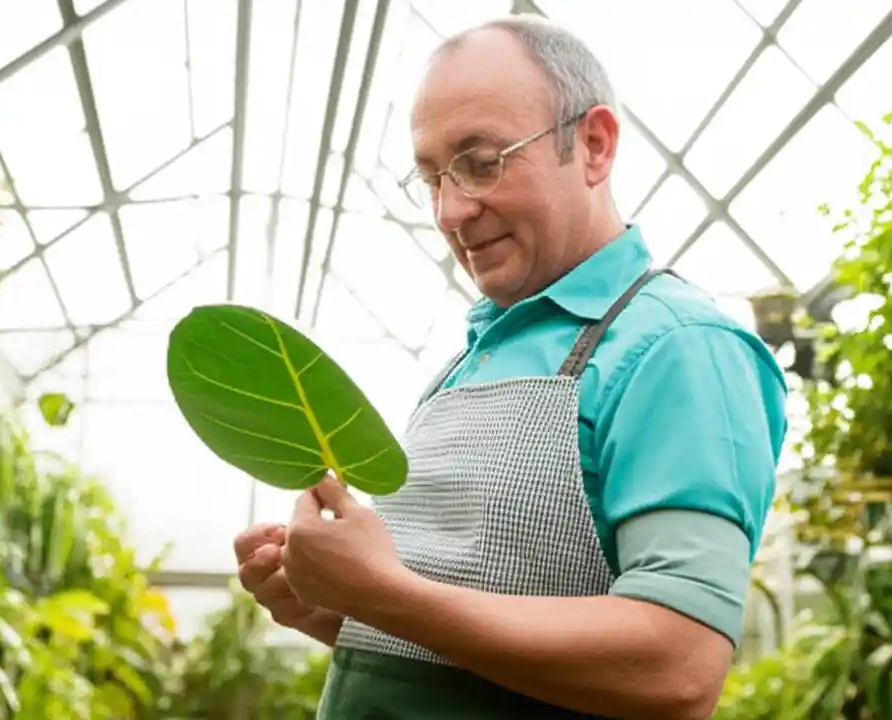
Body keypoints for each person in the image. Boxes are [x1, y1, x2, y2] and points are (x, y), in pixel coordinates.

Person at [233, 15, 788, 719]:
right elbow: (455, 641)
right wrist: (337, 609)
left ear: (593, 145)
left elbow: (676, 667)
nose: (451, 210)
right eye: (432, 176)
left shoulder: (676, 348)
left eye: (481, 161)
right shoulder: (465, 361)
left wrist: (383, 594)